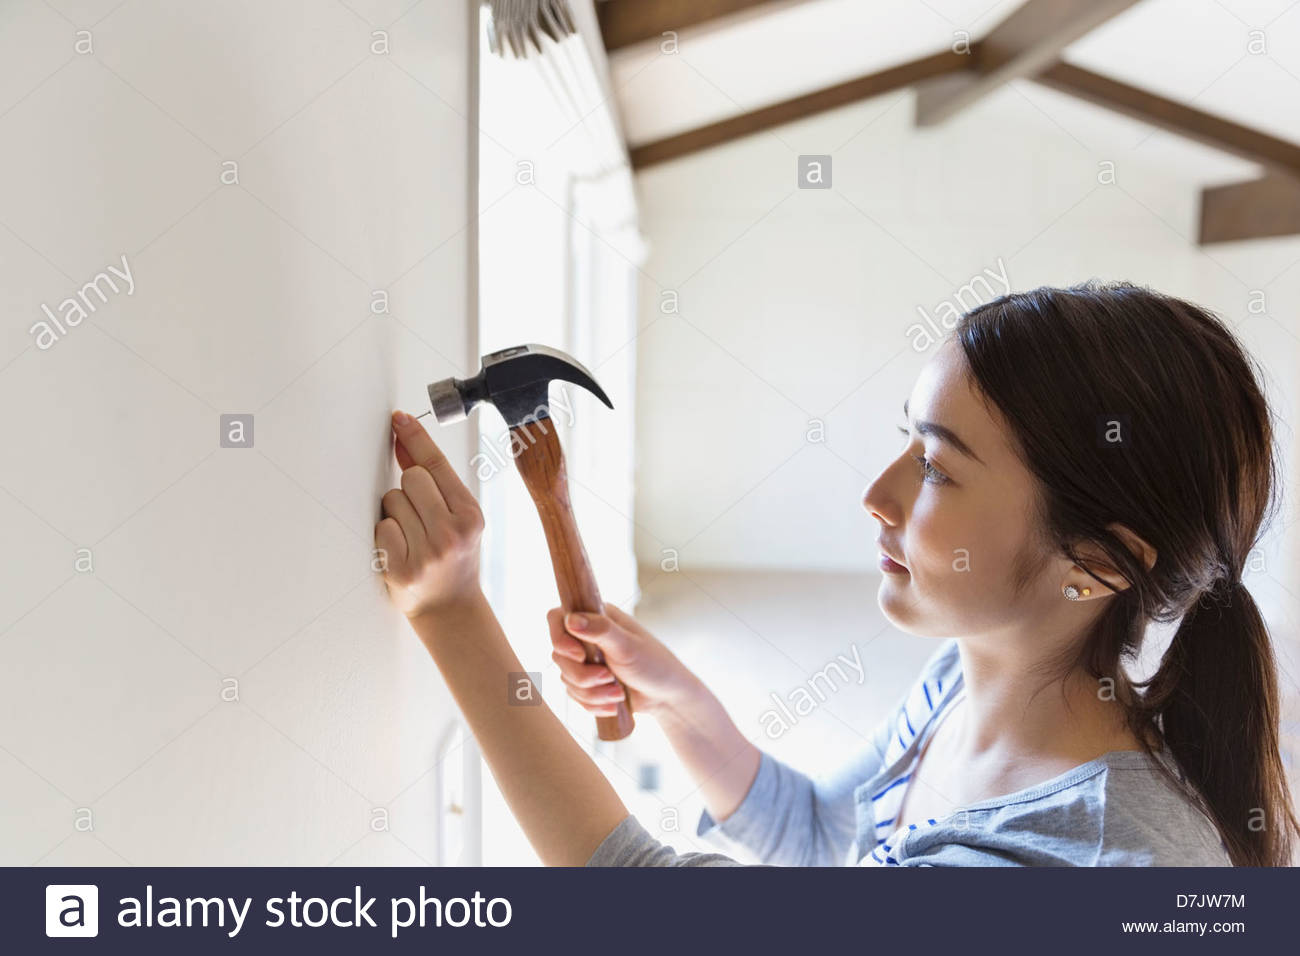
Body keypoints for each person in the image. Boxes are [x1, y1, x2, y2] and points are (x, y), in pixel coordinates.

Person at [375, 281, 1298, 867]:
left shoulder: (1093, 867)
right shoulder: (962, 686)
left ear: (1096, 562)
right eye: (909, 440)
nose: (876, 494)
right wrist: (682, 701)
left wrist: (452, 612)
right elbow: (827, 839)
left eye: (938, 468)